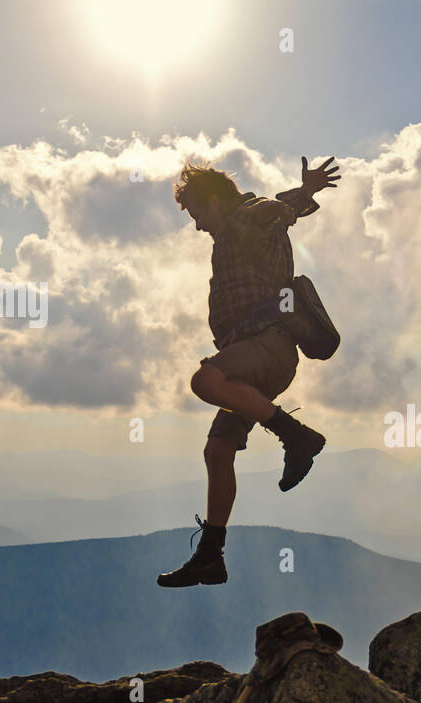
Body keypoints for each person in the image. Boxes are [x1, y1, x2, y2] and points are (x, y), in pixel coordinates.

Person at [158, 155, 340, 587]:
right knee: (217, 452)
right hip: (254, 356)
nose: (199, 225)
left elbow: (272, 212)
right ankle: (210, 556)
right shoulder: (243, 224)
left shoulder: (247, 217)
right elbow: (282, 211)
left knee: (205, 380)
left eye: (198, 213)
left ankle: (297, 437)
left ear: (216, 200)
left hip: (267, 348)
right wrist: (306, 192)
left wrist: (289, 202)